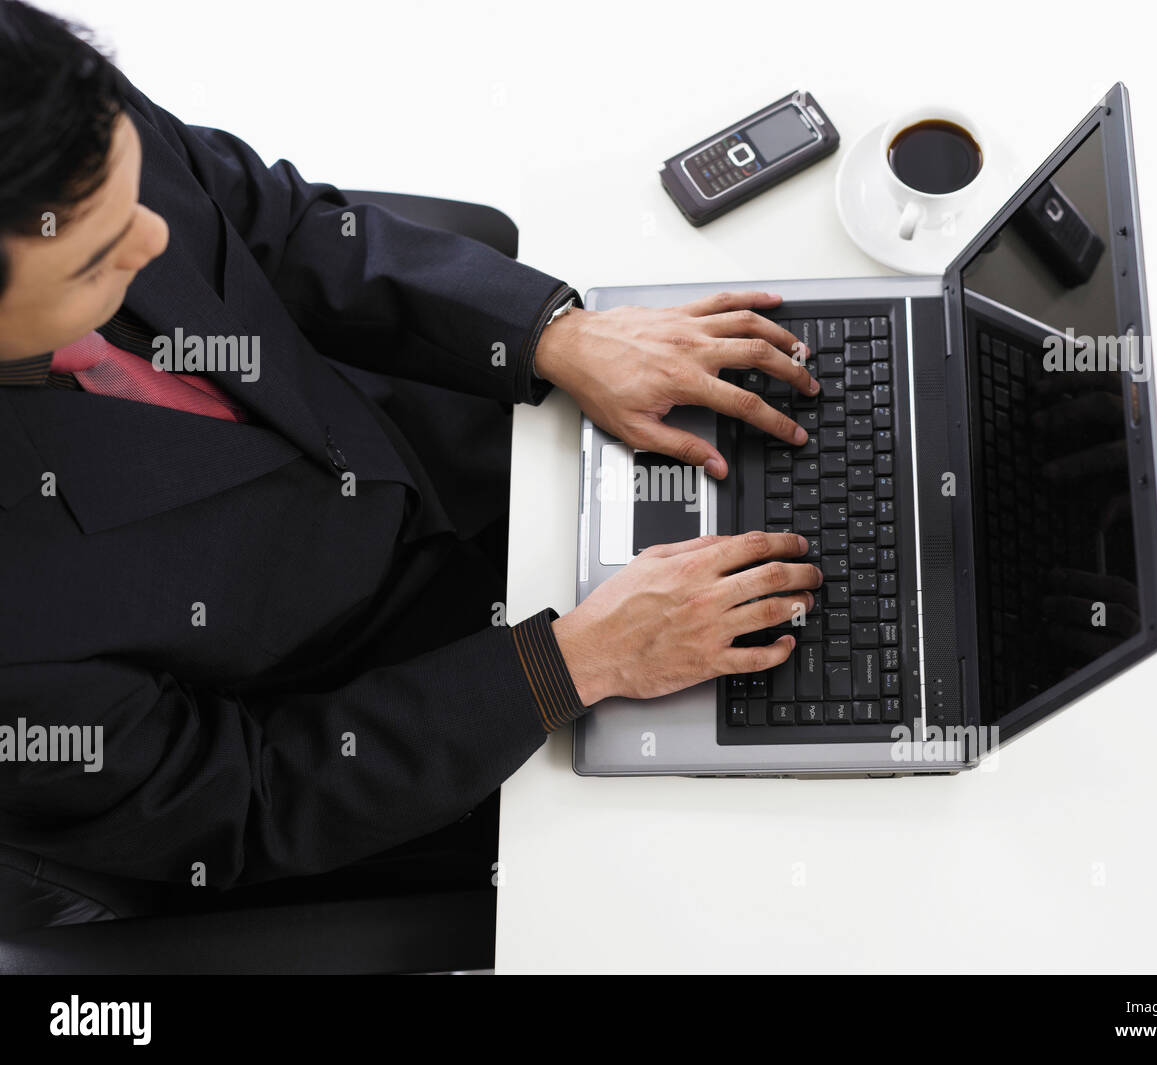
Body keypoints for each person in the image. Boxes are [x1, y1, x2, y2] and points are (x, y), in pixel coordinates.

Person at [0, 1, 823, 902]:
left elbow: (255, 220)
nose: (154, 243)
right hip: (415, 713)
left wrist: (551, 335)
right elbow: (240, 800)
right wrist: (576, 663)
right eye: (96, 262)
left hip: (421, 441)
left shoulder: (32, 84)